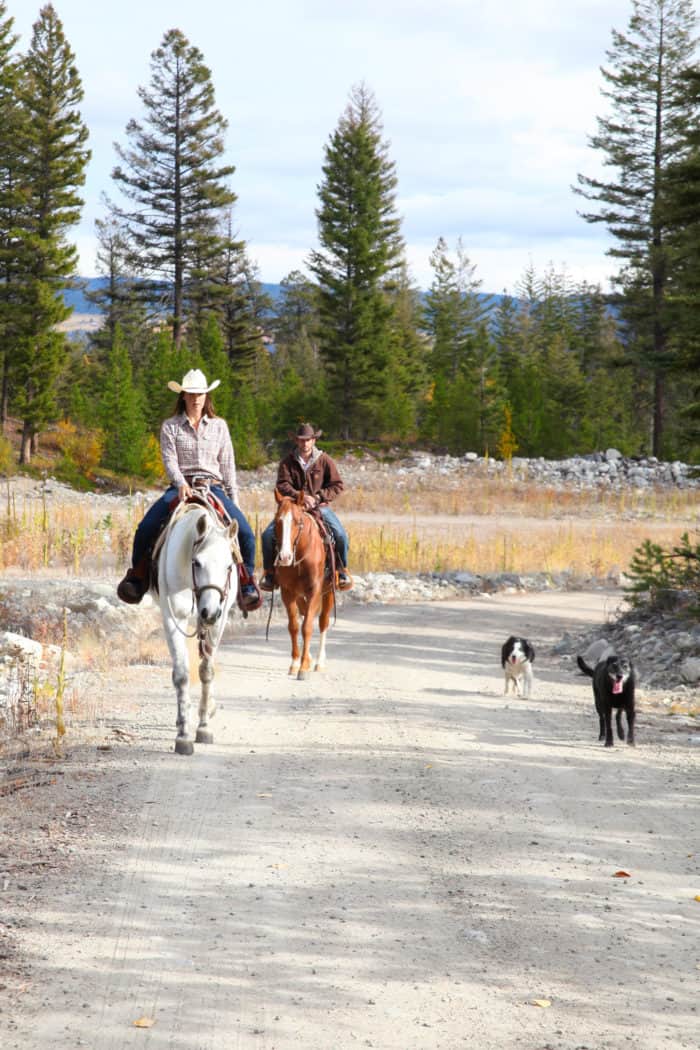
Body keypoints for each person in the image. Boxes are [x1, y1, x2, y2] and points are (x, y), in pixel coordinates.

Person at [116, 368, 260, 609]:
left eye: (200, 394)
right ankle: (137, 577)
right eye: (191, 393)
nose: (196, 398)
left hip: (213, 488)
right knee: (147, 527)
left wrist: (234, 500)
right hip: (181, 487)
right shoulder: (170, 426)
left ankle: (246, 583)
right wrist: (181, 483)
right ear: (182, 395)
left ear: (206, 396)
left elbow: (228, 466)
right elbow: (169, 460)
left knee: (245, 534)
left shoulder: (219, 426)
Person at [260, 422, 352, 591]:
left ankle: (341, 570)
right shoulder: (287, 462)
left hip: (319, 507)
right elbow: (282, 484)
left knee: (340, 534)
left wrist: (317, 498)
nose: (305, 443)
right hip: (293, 507)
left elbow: (337, 485)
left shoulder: (324, 460)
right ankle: (270, 573)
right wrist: (298, 496)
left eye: (308, 440)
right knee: (267, 535)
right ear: (296, 441)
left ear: (314, 441)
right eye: (301, 440)